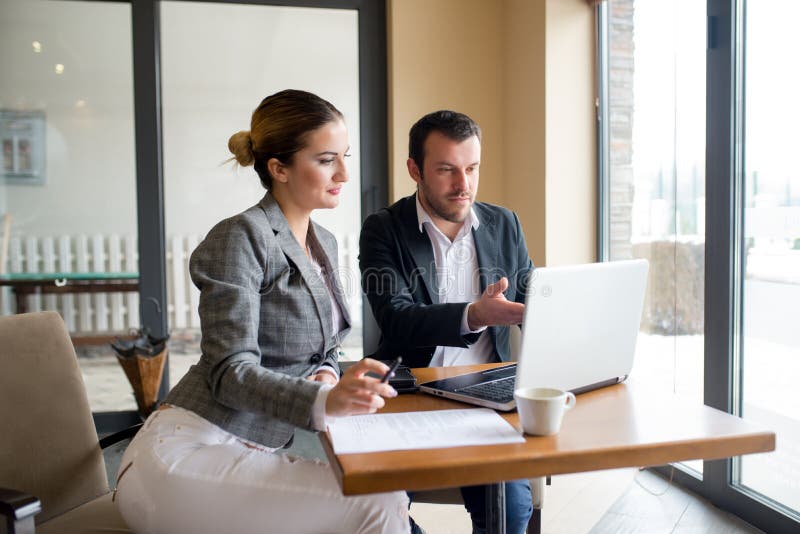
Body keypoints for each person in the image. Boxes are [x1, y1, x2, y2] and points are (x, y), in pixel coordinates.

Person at [115, 90, 410, 534]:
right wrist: (325, 401)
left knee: (386, 491)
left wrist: (330, 378)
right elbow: (229, 371)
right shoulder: (241, 236)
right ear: (279, 168)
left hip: (249, 449)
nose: (345, 173)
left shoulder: (323, 243)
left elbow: (323, 351)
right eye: (327, 159)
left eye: (344, 156)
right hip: (184, 453)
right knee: (377, 501)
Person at [359, 110, 535, 533]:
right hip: (409, 394)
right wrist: (473, 314)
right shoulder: (383, 230)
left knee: (510, 512)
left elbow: (531, 298)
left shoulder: (504, 222)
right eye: (447, 170)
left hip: (489, 397)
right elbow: (395, 319)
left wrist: (558, 319)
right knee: (378, 514)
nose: (464, 185)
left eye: (472, 168)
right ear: (414, 170)